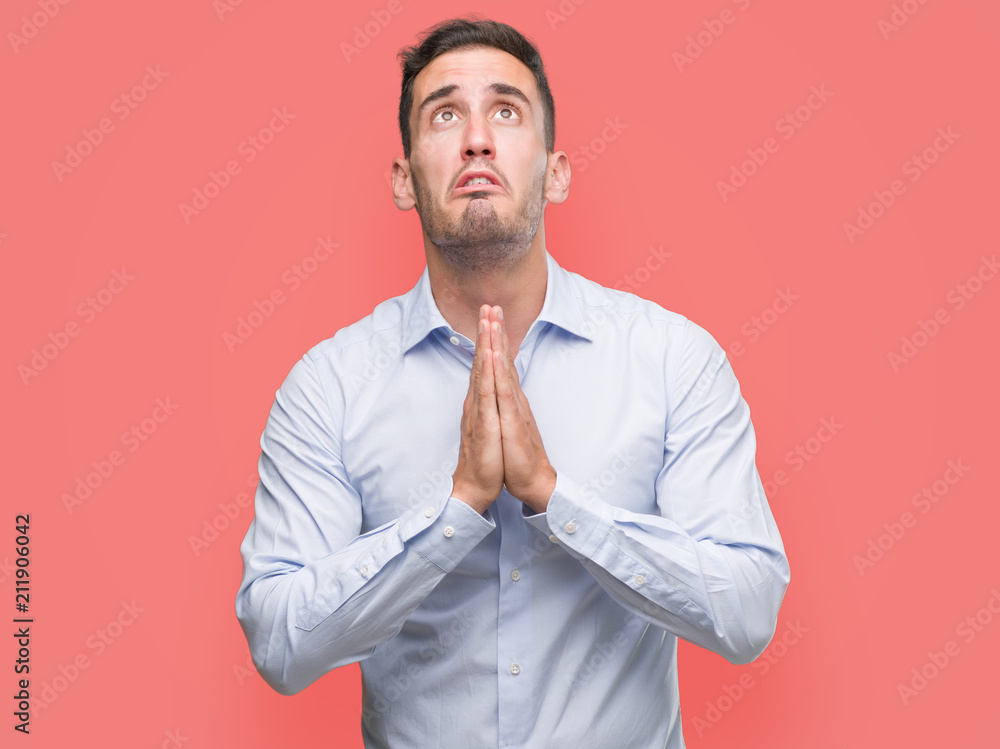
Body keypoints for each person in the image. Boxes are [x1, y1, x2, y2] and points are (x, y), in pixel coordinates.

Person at [235, 15, 790, 749]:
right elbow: (280, 643)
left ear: (555, 171)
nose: (476, 139)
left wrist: (555, 498)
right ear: (404, 180)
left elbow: (747, 613)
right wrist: (456, 509)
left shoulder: (671, 359)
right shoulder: (328, 388)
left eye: (505, 110)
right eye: (444, 115)